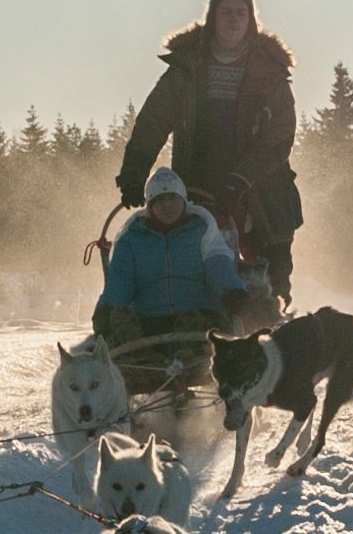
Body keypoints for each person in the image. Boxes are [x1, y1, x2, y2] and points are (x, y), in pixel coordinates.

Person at [120, 0, 303, 304]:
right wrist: (134, 173)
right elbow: (152, 123)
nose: (234, 19)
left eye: (241, 13)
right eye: (226, 12)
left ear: (251, 21)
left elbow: (279, 138)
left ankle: (269, 319)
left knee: (269, 274)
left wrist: (242, 178)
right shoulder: (186, 70)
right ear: (212, 18)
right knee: (195, 264)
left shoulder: (271, 74)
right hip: (197, 184)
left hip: (261, 191)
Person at [95, 164, 246, 394]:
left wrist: (231, 291)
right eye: (159, 200)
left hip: (197, 315)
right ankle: (153, 366)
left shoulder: (202, 228)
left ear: (184, 200)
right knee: (119, 322)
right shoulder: (131, 238)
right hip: (149, 321)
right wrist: (107, 309)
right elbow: (120, 280)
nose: (167, 205)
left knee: (196, 325)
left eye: (173, 198)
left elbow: (217, 265)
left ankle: (182, 364)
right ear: (149, 205)